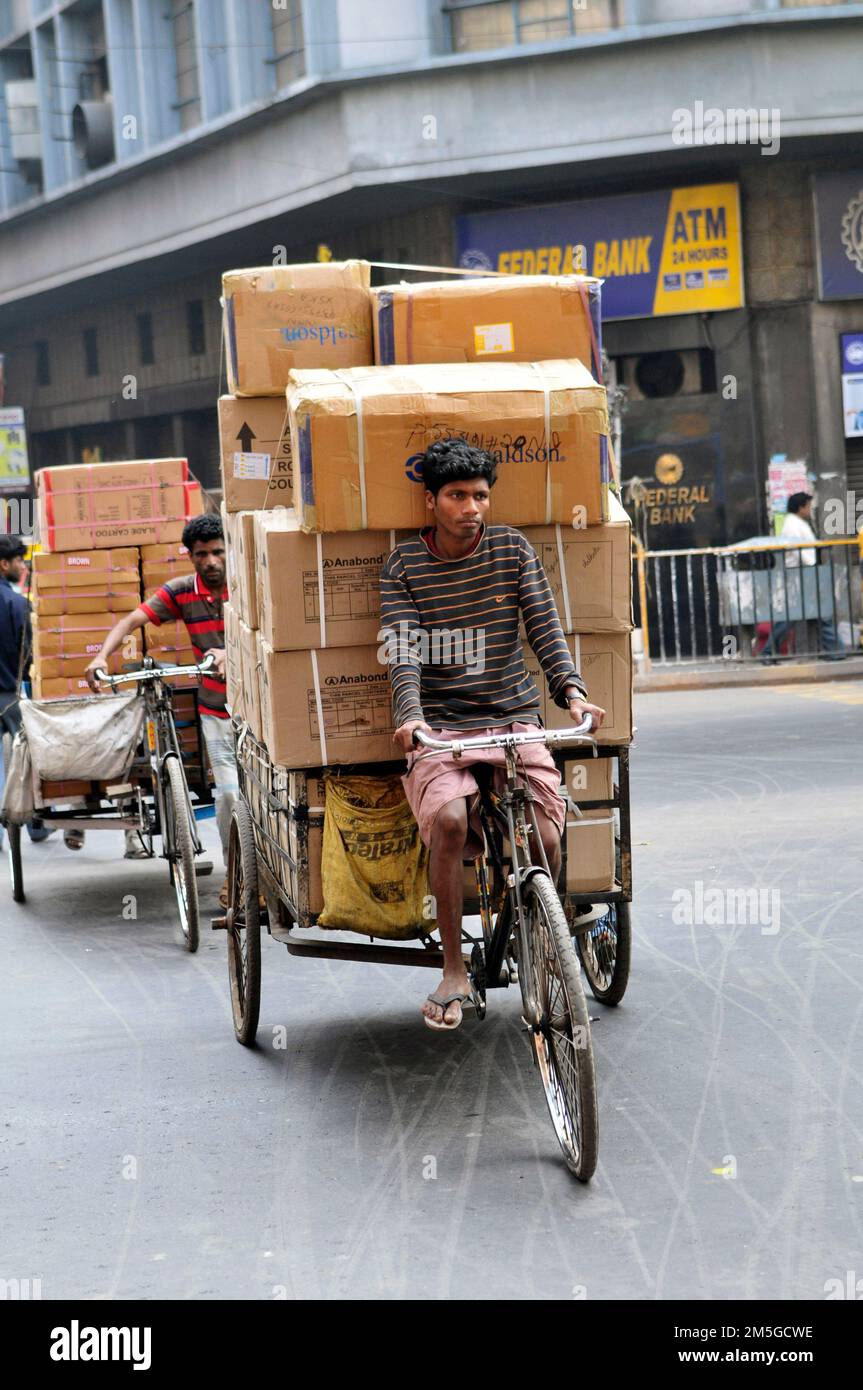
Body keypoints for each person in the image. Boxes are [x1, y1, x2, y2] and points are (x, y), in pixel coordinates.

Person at [380, 438, 606, 1032]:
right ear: (432, 501)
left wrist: (574, 693)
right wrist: (410, 716)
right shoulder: (403, 564)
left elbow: (545, 629)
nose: (471, 507)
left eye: (480, 495)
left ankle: (539, 933)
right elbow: (402, 651)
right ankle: (454, 968)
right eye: (457, 496)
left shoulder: (510, 548)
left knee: (548, 839)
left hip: (512, 717)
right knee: (451, 822)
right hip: (441, 725)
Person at [84, 514, 236, 904]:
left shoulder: (249, 581)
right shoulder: (181, 591)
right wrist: (101, 657)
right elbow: (132, 620)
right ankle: (235, 876)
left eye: (218, 551)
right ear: (190, 556)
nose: (211, 560)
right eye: (202, 554)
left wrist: (230, 650)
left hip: (260, 712)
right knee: (229, 796)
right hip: (216, 711)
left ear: (229, 550)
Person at [0, 535, 54, 848]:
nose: (22, 567)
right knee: (30, 757)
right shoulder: (18, 604)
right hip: (10, 694)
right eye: (19, 561)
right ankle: (35, 825)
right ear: (4, 565)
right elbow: (32, 654)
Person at [762, 493, 843, 659]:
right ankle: (768, 652)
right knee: (803, 615)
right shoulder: (792, 525)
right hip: (801, 575)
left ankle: (834, 651)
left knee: (814, 614)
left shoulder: (797, 523)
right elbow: (799, 551)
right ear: (801, 507)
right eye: (808, 505)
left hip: (803, 574)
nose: (810, 509)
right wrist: (811, 567)